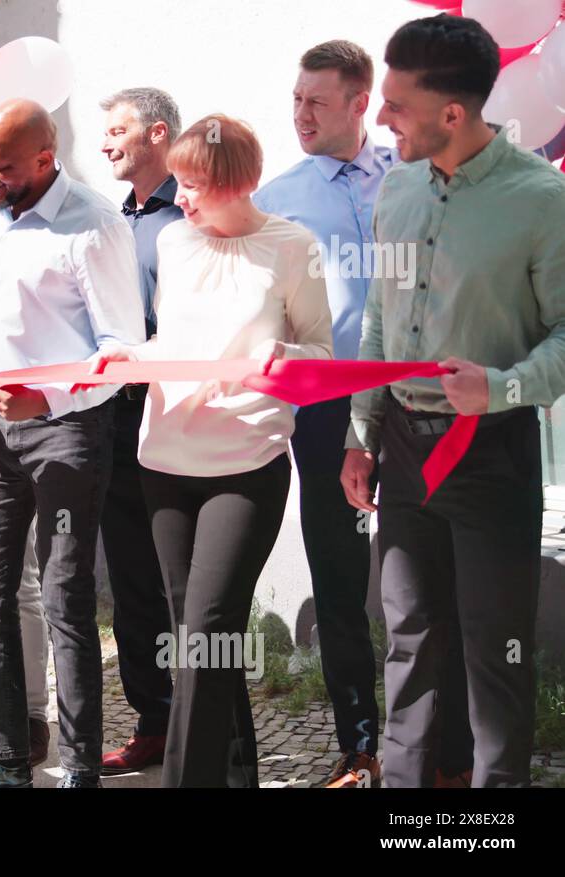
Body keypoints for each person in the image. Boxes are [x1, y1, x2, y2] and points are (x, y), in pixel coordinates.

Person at [341, 14, 565, 788]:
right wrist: (359, 433)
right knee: (407, 641)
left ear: (452, 113)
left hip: (492, 447)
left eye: (395, 103)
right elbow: (377, 315)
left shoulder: (542, 199)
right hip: (401, 444)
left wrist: (501, 386)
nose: (380, 118)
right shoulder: (396, 188)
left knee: (495, 650)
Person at [95, 114, 334, 787]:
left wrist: (282, 355)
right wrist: (126, 355)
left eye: (198, 184)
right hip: (165, 462)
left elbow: (323, 350)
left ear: (241, 182)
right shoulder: (174, 242)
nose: (185, 195)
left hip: (247, 463)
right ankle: (236, 776)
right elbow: (173, 346)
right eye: (183, 181)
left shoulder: (293, 247)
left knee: (204, 634)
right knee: (198, 637)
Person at [0, 99, 145, 789]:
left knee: (64, 595)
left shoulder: (96, 226)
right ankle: (5, 755)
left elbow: (123, 349)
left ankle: (80, 766)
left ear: (46, 159)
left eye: (3, 168)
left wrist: (47, 397)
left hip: (70, 432)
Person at [251, 39, 394, 788]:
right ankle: (359, 744)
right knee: (340, 574)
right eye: (296, 98)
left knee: (426, 575)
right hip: (325, 408)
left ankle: (433, 742)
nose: (299, 113)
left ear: (358, 102)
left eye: (316, 100)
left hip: (420, 397)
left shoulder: (412, 178)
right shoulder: (279, 195)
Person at [96, 86, 184, 777]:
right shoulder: (108, 221)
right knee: (131, 582)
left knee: (183, 580)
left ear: (159, 134)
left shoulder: (194, 213)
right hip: (115, 423)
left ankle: (205, 721)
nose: (105, 142)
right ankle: (154, 720)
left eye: (118, 129)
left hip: (182, 419)